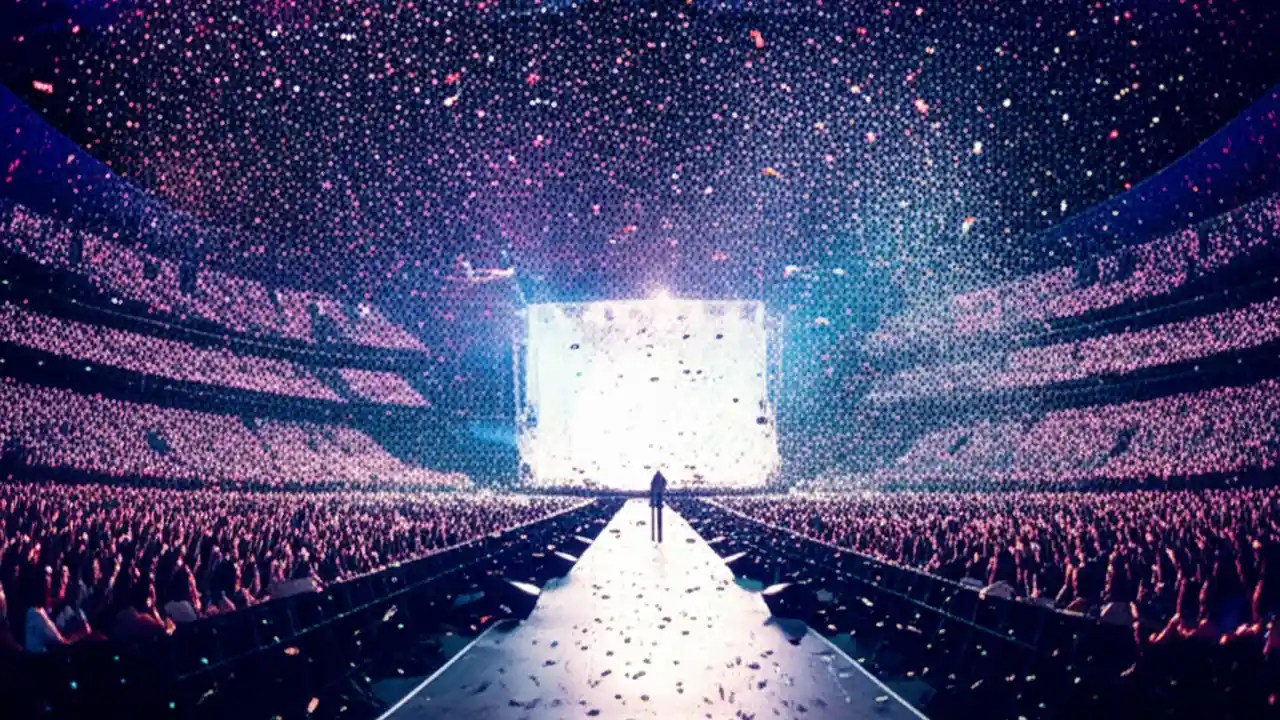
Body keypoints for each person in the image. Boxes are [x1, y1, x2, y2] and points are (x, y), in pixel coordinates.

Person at [650, 470, 667, 543]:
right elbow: (664, 483)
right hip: (658, 496)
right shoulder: (659, 479)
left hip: (658, 496)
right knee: (658, 513)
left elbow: (652, 487)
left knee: (657, 514)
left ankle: (657, 538)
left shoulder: (655, 479)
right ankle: (657, 538)